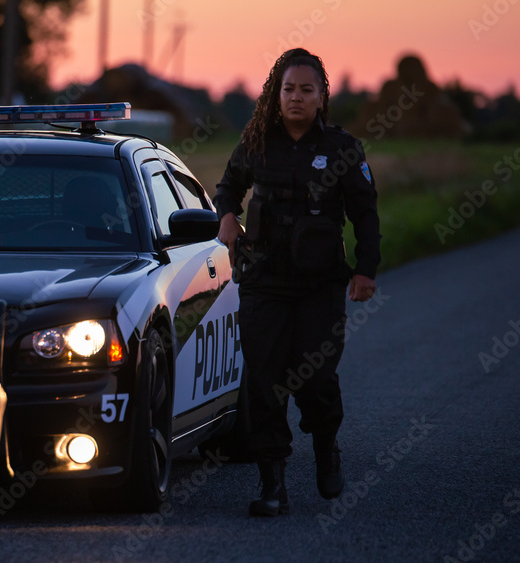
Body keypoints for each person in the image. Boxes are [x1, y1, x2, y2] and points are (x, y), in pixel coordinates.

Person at [213, 48, 381, 517]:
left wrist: (366, 270)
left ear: (322, 96)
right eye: (289, 89)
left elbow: (365, 215)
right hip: (264, 282)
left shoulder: (342, 148)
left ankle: (326, 447)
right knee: (264, 384)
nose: (297, 98)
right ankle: (273, 484)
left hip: (320, 286)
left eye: (307, 90)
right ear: (276, 93)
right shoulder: (257, 142)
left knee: (316, 380)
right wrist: (226, 215)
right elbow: (227, 186)